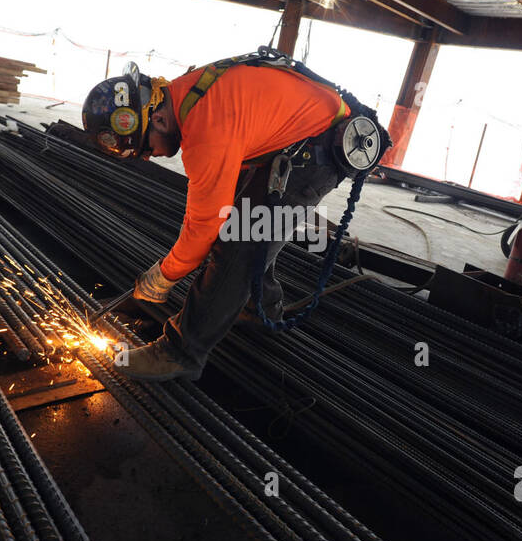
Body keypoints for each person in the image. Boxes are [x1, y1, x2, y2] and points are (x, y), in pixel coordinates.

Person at [81, 53, 353, 381]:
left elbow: (202, 230)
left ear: (160, 120)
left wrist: (163, 276)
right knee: (248, 226)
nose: (150, 156)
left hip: (320, 146)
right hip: (295, 134)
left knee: (239, 245)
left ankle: (179, 354)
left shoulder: (205, 128)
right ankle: (257, 309)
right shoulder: (187, 94)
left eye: (146, 148)